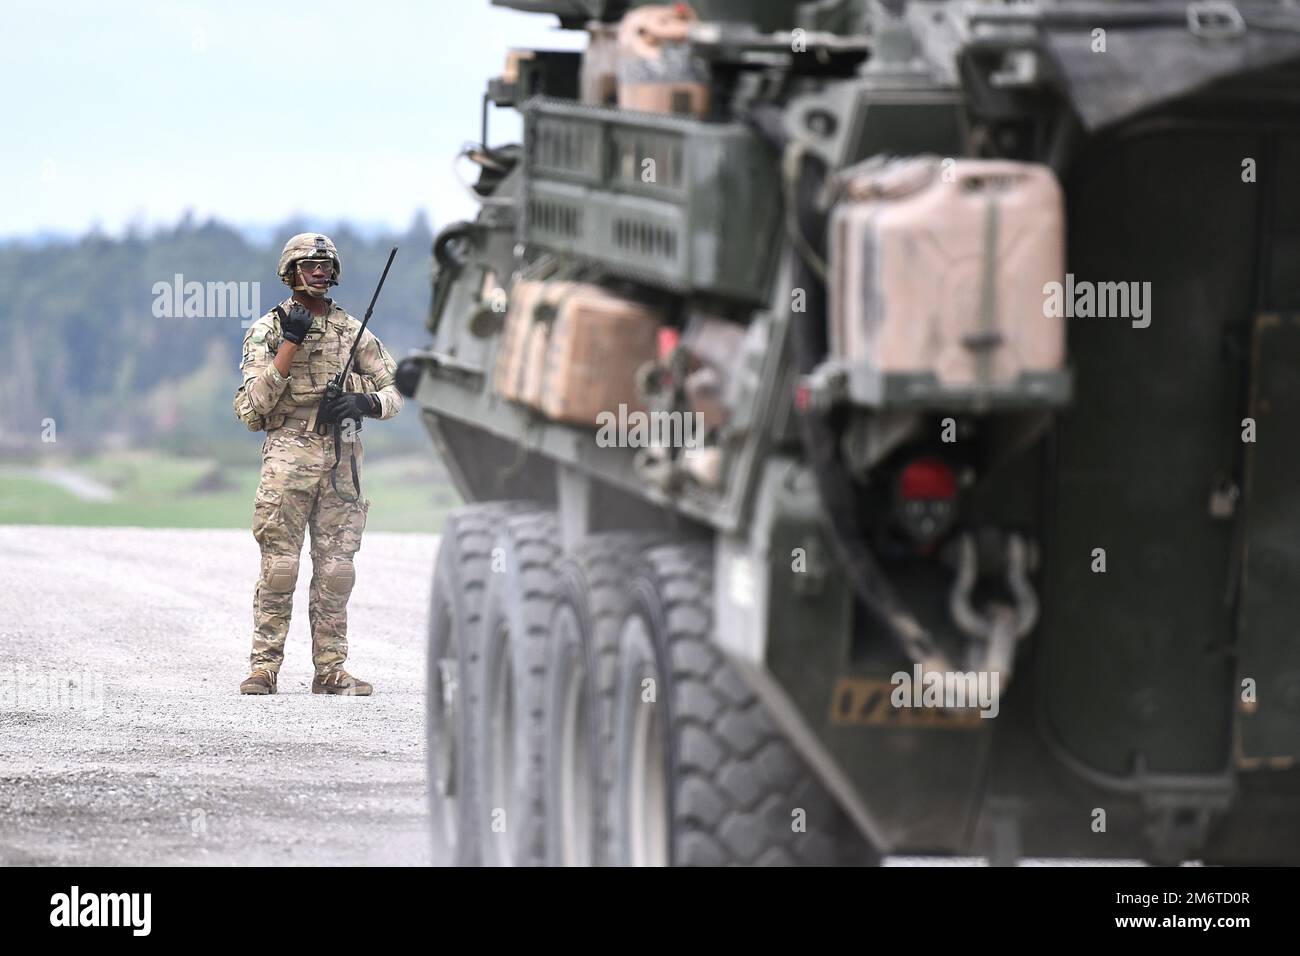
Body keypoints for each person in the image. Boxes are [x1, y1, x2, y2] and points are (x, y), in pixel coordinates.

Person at [233, 233, 403, 695]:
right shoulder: (267, 331)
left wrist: (362, 403)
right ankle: (264, 668)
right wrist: (289, 345)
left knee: (336, 572)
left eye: (326, 265)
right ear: (291, 272)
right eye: (310, 265)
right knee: (280, 568)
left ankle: (330, 670)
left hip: (342, 461)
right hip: (289, 455)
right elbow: (252, 411)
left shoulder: (352, 332)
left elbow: (396, 389)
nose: (320, 272)